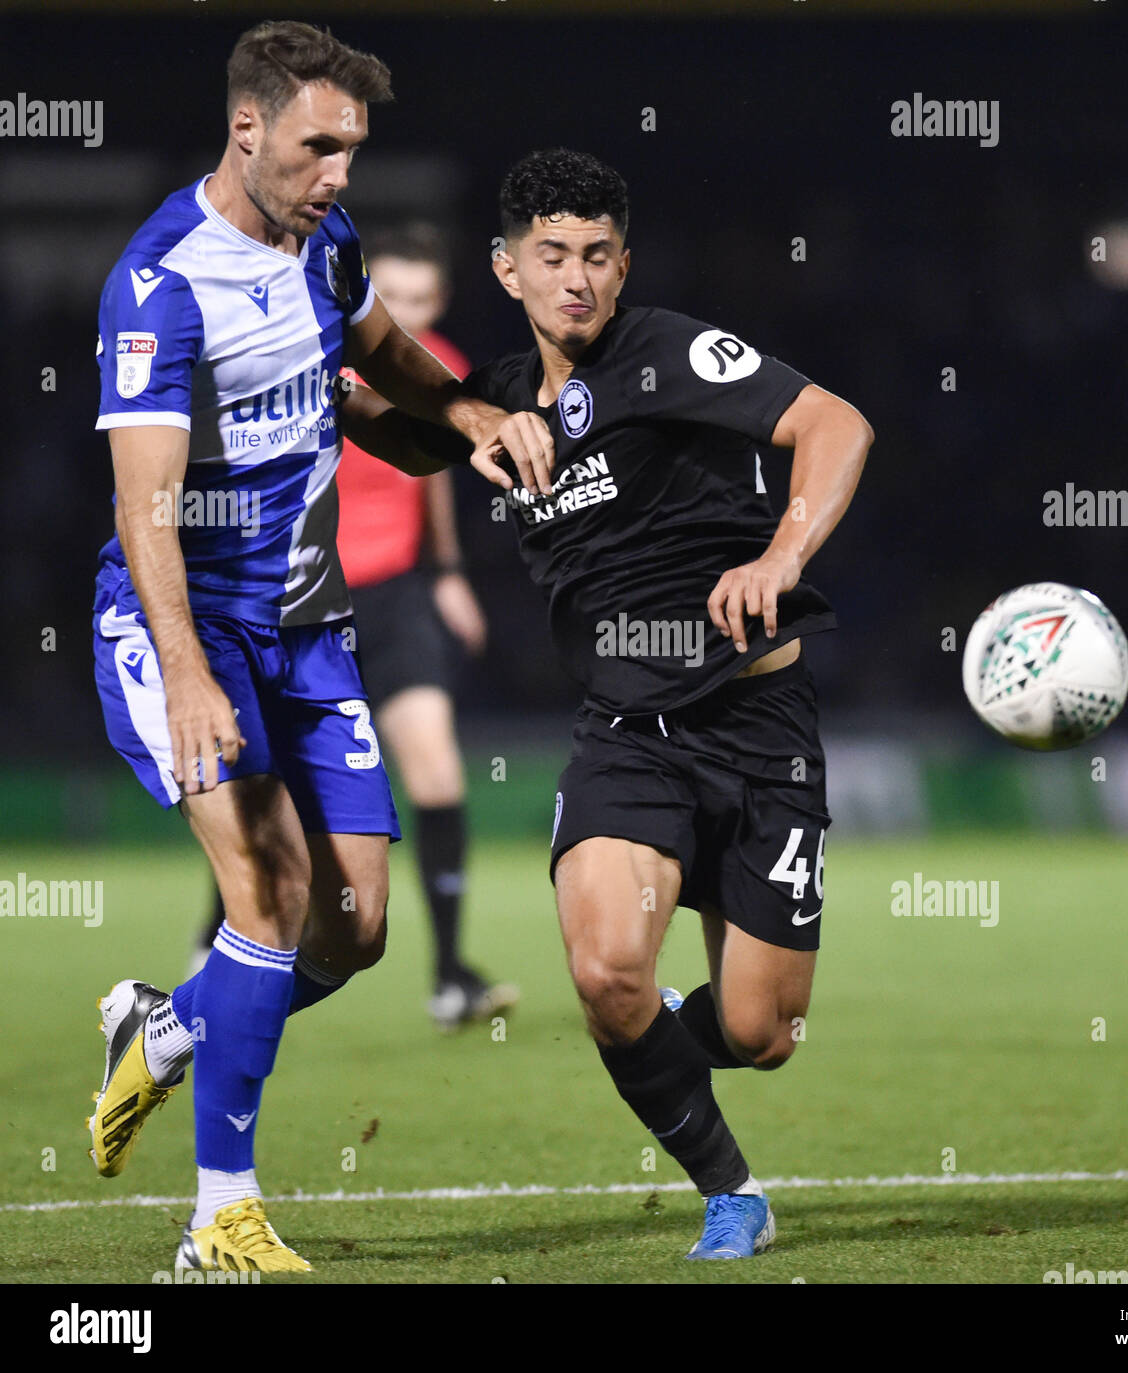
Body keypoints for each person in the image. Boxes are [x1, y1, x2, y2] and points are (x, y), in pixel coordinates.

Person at [86, 21, 551, 1273]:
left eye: (352, 147)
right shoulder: (160, 283)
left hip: (308, 629)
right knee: (272, 891)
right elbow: (142, 509)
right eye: (318, 146)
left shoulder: (325, 242)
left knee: (357, 929)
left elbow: (382, 360)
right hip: (183, 622)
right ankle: (218, 1217)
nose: (341, 172)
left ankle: (166, 1029)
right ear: (248, 129)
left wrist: (469, 412)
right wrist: (186, 673)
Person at [456, 148, 873, 1257]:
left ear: (624, 263)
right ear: (508, 270)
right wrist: (446, 411)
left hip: (761, 728)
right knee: (604, 971)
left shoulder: (667, 349)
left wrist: (780, 555)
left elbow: (837, 424)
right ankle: (730, 1189)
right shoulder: (498, 408)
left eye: (597, 255)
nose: (576, 279)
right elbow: (375, 403)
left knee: (763, 1028)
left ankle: (655, 1038)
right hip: (627, 740)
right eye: (552, 256)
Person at [190, 224, 518, 1029]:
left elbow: (430, 475)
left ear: (435, 302)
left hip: (399, 593)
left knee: (437, 773)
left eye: (416, 299)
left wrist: (448, 577)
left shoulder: (432, 372)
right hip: (306, 596)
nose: (401, 312)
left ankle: (449, 977)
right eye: (390, 297)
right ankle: (218, 944)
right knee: (267, 782)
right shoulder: (312, 351)